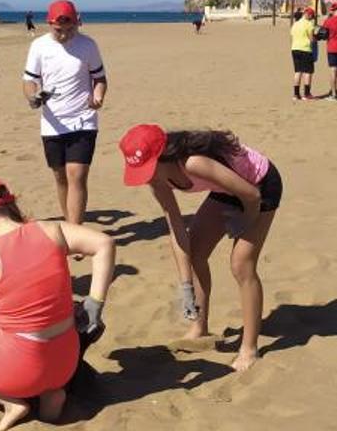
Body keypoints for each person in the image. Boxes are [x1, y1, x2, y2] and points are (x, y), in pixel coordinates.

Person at [0, 178, 115, 431]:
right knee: (45, 337)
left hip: (24, 365)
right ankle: (52, 394)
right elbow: (104, 243)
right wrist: (94, 303)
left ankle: (12, 403)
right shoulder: (52, 230)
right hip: (67, 359)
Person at [118, 124, 282, 372]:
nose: (147, 176)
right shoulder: (157, 180)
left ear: (165, 155)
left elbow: (251, 195)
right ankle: (200, 327)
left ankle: (249, 348)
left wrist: (245, 222)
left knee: (241, 265)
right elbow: (175, 226)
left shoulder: (194, 163)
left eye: (148, 168)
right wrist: (185, 285)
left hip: (259, 186)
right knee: (195, 252)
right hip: (225, 189)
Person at [23, 0, 108, 225]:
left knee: (76, 176)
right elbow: (29, 81)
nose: (64, 35)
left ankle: (74, 230)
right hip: (52, 123)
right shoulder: (39, 46)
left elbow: (99, 78)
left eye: (70, 30)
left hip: (83, 120)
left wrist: (98, 97)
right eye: (58, 30)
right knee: (61, 178)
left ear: (77, 23)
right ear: (49, 23)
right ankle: (71, 223)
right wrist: (33, 97)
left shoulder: (88, 45)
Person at [289, 6, 317, 101]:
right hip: (305, 49)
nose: (312, 18)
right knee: (308, 72)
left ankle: (296, 94)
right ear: (308, 15)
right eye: (311, 16)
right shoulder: (309, 24)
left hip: (295, 48)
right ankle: (307, 93)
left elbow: (292, 36)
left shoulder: (295, 24)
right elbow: (312, 39)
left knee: (298, 71)